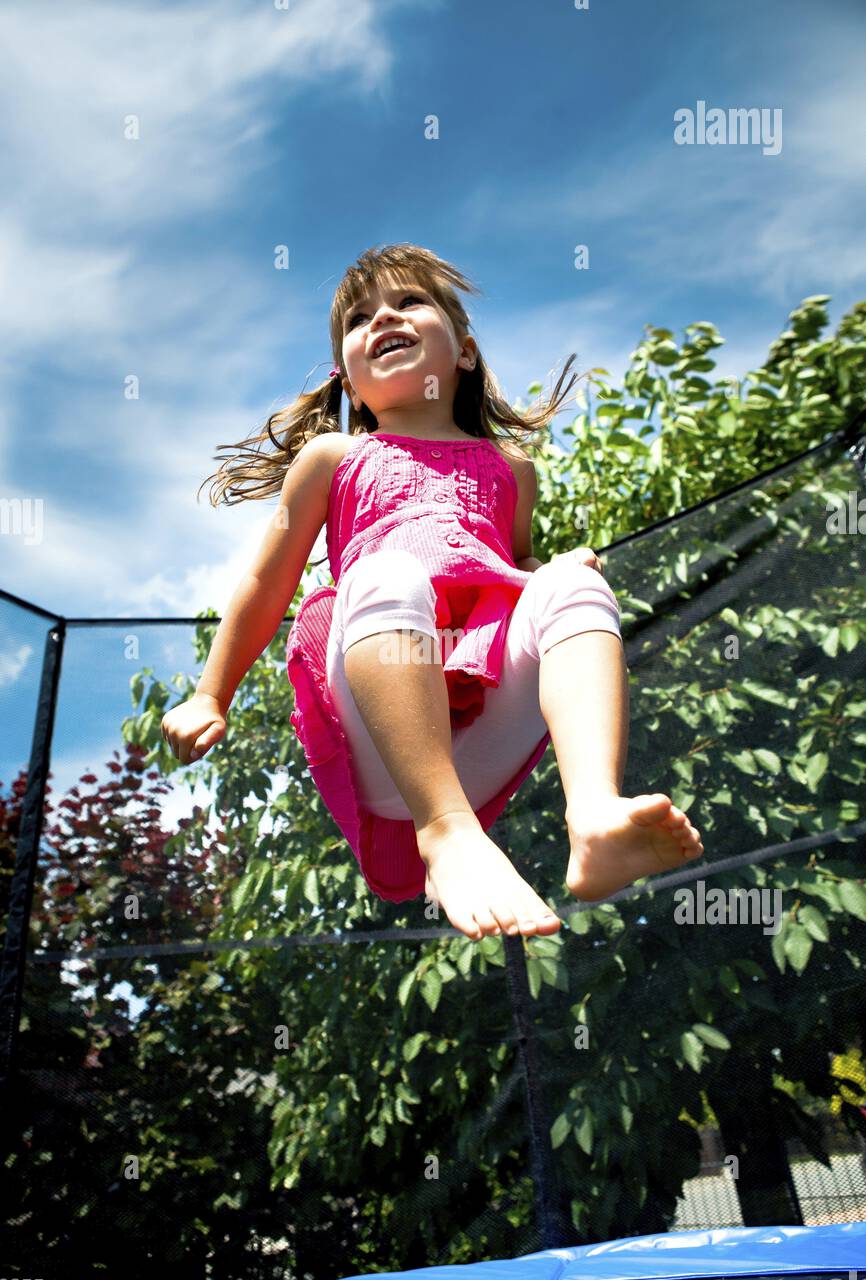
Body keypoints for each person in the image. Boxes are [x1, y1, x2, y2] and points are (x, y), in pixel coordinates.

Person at [162, 243, 703, 940]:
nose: (384, 316)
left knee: (570, 580)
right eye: (360, 317)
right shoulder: (337, 456)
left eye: (410, 302)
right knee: (389, 573)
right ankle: (445, 834)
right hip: (389, 740)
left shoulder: (513, 470)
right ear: (350, 381)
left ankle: (595, 815)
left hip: (481, 728)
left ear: (465, 353)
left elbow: (514, 574)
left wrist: (552, 573)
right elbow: (269, 581)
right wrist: (211, 693)